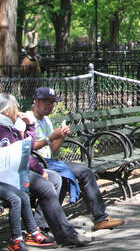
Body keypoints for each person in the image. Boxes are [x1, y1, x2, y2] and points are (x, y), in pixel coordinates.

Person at [0, 93, 91, 247]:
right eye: (15, 109)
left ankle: (38, 227)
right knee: (47, 185)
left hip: (10, 171)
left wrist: (30, 126)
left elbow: (25, 148)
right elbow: (19, 155)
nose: (17, 112)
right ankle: (65, 234)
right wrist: (39, 170)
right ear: (5, 112)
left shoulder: (4, 126)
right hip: (1, 178)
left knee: (56, 178)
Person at [19, 87, 125, 231]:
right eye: (46, 101)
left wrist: (61, 136)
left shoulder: (47, 121)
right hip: (34, 164)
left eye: (52, 102)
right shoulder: (26, 120)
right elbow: (26, 149)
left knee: (85, 172)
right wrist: (50, 138)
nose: (49, 105)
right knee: (61, 178)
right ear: (35, 101)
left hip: (48, 161)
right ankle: (42, 225)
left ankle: (100, 218)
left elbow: (53, 148)